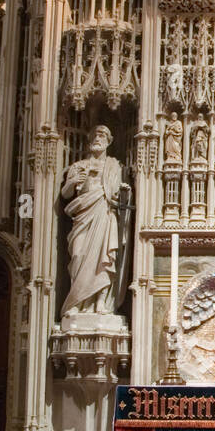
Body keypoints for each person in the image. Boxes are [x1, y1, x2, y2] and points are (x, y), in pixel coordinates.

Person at [60, 126, 124, 318]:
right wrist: (71, 183)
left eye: (103, 136)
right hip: (83, 215)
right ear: (89, 141)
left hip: (104, 213)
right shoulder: (78, 166)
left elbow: (117, 194)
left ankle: (100, 302)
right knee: (78, 255)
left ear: (109, 141)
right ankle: (76, 302)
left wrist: (123, 191)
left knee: (104, 258)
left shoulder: (114, 166)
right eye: (96, 135)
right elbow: (65, 194)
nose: (99, 139)